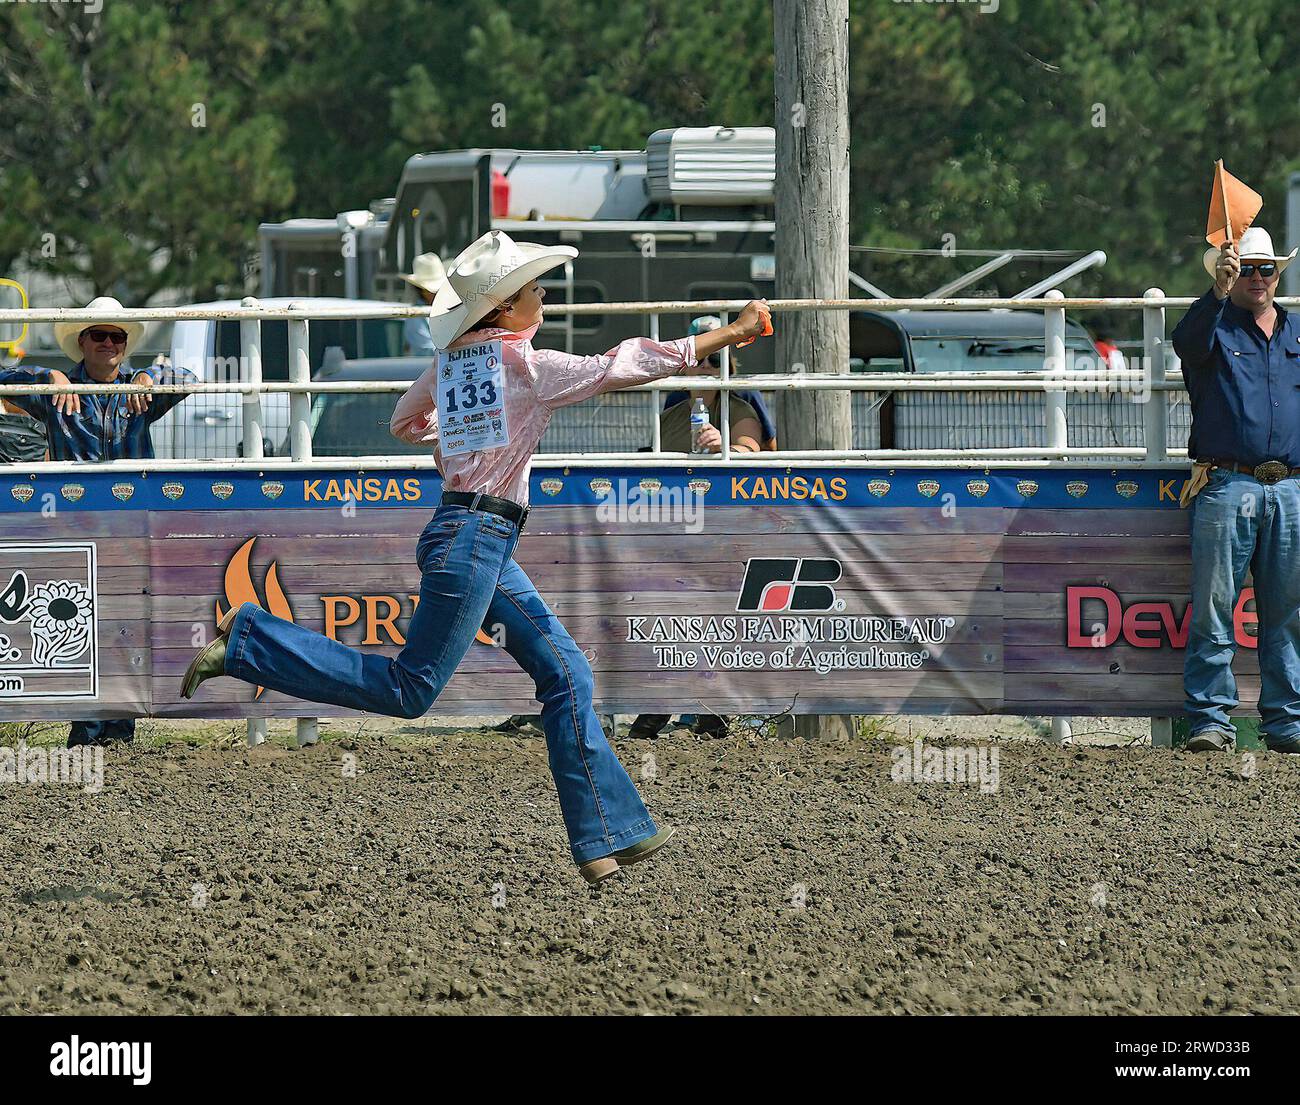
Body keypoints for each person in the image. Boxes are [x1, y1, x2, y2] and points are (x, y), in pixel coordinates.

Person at [180, 229, 772, 885]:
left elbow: (405, 420)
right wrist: (729, 334)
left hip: (469, 535)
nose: (543, 294)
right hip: (479, 540)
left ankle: (607, 836)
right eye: (532, 289)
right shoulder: (525, 364)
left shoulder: (454, 364)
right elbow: (618, 364)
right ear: (503, 308)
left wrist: (457, 448)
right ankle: (249, 640)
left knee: (567, 673)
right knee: (412, 690)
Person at [0, 296, 198, 747]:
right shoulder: (56, 390)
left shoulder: (139, 389)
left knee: (124, 621)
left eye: (117, 336)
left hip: (124, 524)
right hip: (81, 523)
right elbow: (3, 379)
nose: (109, 343)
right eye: (100, 335)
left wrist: (152, 375)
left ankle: (116, 727)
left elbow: (189, 378)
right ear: (83, 343)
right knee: (83, 626)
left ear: (125, 347)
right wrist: (44, 375)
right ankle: (90, 728)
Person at [1172, 226, 1300, 754]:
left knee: (1288, 609)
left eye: (1265, 268)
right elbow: (1185, 343)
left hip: (1289, 487)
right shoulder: (1213, 325)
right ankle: (1210, 719)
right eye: (1246, 268)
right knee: (1215, 605)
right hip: (1227, 480)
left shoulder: (1294, 331)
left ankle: (1286, 722)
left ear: (1277, 274)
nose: (1256, 277)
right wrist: (1216, 296)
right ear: (1230, 274)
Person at [659, 315, 778, 450]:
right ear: (684, 365)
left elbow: (754, 448)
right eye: (698, 358)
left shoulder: (744, 396)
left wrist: (724, 450)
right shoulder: (672, 407)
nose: (706, 365)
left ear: (726, 365)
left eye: (716, 359)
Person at [401, 253, 448, 357]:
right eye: (433, 290)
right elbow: (426, 352)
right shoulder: (415, 316)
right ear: (422, 290)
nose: (437, 293)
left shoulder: (448, 308)